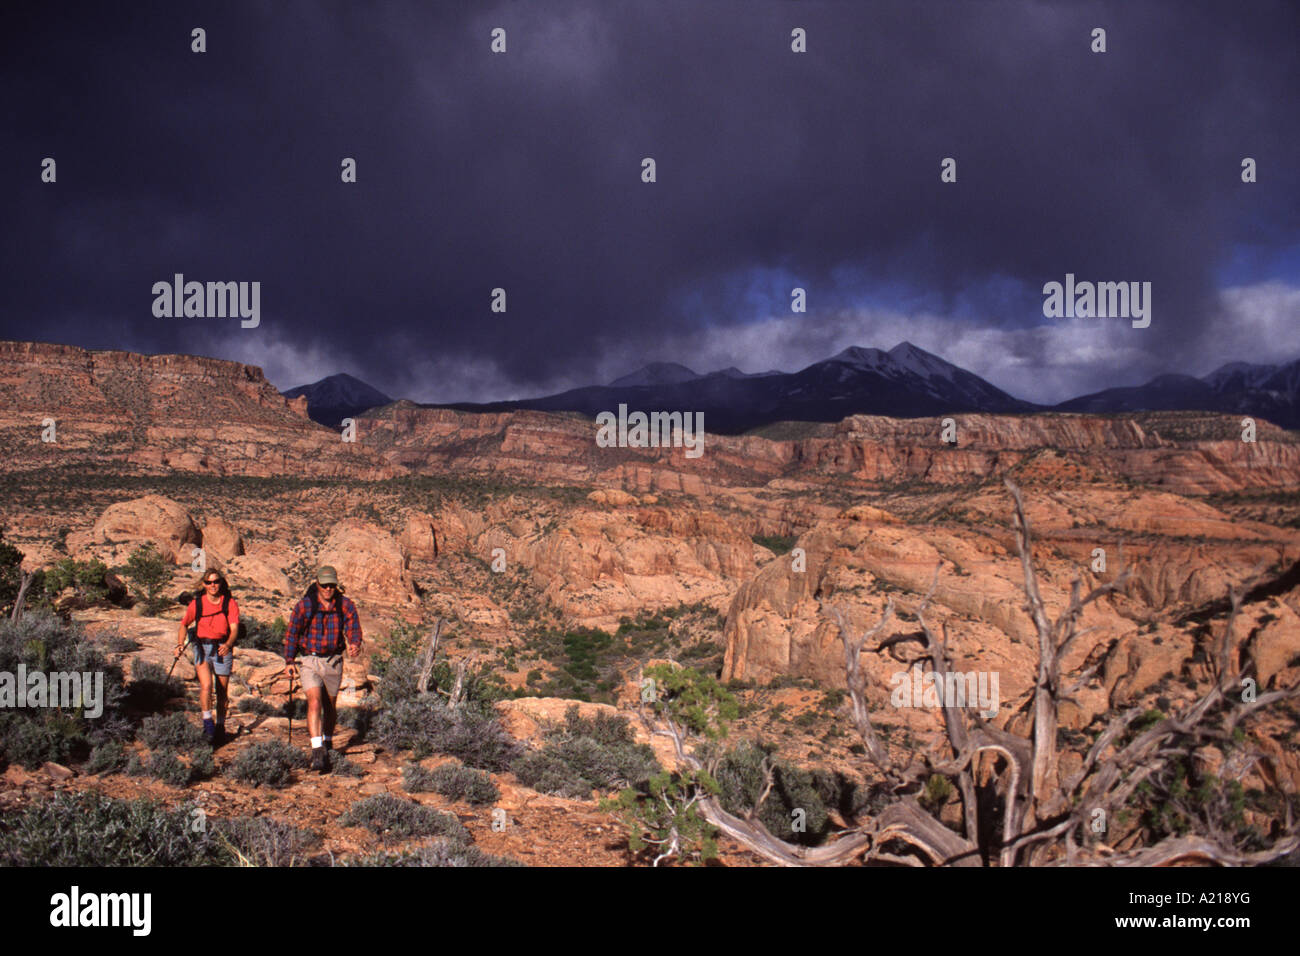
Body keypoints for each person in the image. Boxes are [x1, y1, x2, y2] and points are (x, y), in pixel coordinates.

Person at [282, 566, 362, 772]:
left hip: (334, 660)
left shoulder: (345, 605)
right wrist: (289, 660)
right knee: (315, 702)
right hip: (310, 660)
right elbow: (292, 633)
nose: (328, 589)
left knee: (330, 706)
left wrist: (355, 642)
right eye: (324, 585)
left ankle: (327, 742)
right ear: (317, 584)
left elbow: (353, 627)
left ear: (336, 585)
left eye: (331, 585)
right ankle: (317, 750)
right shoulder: (305, 606)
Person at [175, 569, 239, 745]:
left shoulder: (229, 603)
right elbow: (184, 624)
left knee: (221, 691)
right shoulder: (197, 604)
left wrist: (228, 644)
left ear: (221, 583)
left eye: (216, 582)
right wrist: (180, 644)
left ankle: (220, 726)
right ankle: (208, 724)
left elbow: (234, 629)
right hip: (201, 647)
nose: (213, 585)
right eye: (209, 582)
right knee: (206, 685)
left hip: (222, 648)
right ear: (203, 584)